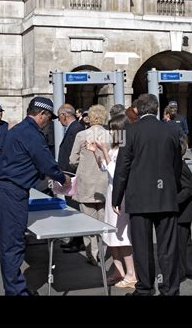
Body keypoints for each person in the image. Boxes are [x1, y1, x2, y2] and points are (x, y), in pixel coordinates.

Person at [0, 97, 70, 296]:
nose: (48, 123)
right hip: (13, 192)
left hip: (5, 189)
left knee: (10, 242)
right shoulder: (32, 134)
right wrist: (63, 179)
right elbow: (45, 162)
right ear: (41, 114)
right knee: (13, 244)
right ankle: (15, 291)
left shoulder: (16, 130)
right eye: (48, 118)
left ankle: (15, 286)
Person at [112, 93, 182, 296]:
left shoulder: (130, 131)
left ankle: (144, 288)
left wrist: (117, 197)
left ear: (138, 110)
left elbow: (122, 167)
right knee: (168, 247)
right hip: (166, 197)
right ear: (156, 109)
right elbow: (177, 163)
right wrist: (172, 187)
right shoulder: (171, 130)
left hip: (139, 199)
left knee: (142, 247)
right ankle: (170, 290)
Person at [86, 114, 137, 288]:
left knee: (122, 236)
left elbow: (116, 174)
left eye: (113, 130)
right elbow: (104, 168)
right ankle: (118, 270)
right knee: (110, 234)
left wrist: (104, 151)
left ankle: (131, 274)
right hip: (111, 194)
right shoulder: (115, 148)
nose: (111, 133)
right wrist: (97, 152)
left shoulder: (126, 148)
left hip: (120, 196)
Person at [69, 105, 109, 266]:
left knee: (88, 220)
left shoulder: (81, 135)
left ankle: (91, 255)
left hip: (86, 182)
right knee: (104, 222)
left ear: (90, 118)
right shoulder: (113, 135)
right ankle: (102, 252)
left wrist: (82, 163)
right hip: (105, 183)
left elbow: (72, 159)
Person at [57, 103, 85, 253]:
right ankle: (75, 239)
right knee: (71, 206)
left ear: (64, 115)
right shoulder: (73, 128)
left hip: (72, 174)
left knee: (74, 208)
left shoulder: (76, 129)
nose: (59, 120)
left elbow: (75, 154)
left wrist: (67, 172)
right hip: (68, 173)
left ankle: (78, 240)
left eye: (59, 117)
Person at [177, 136, 192, 282]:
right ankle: (191, 271)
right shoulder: (180, 164)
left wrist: (173, 202)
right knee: (185, 242)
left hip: (181, 212)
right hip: (184, 212)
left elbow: (187, 190)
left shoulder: (179, 166)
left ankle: (180, 273)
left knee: (179, 243)